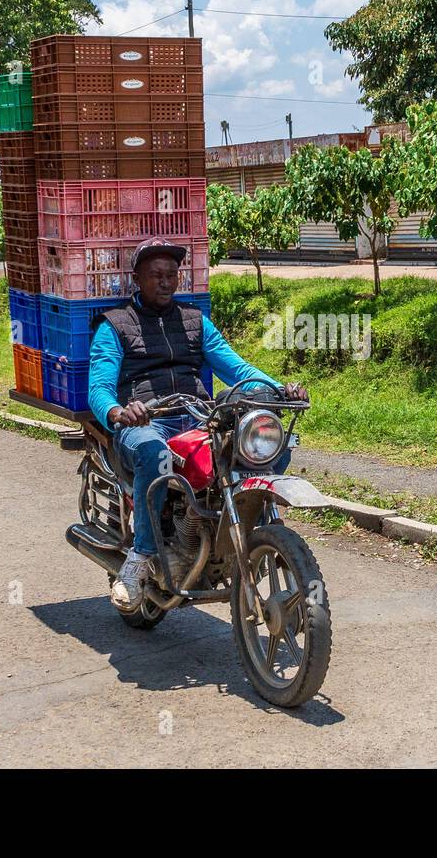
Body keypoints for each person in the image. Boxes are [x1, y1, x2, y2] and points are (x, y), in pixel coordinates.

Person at [88, 237, 307, 608]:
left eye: (172, 274)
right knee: (154, 454)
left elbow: (235, 368)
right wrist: (118, 412)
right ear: (137, 278)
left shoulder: (193, 321)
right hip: (146, 422)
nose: (165, 282)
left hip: (195, 416)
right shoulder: (115, 325)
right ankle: (140, 557)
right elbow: (99, 387)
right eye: (156, 275)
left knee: (264, 440)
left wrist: (279, 389)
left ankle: (237, 527)